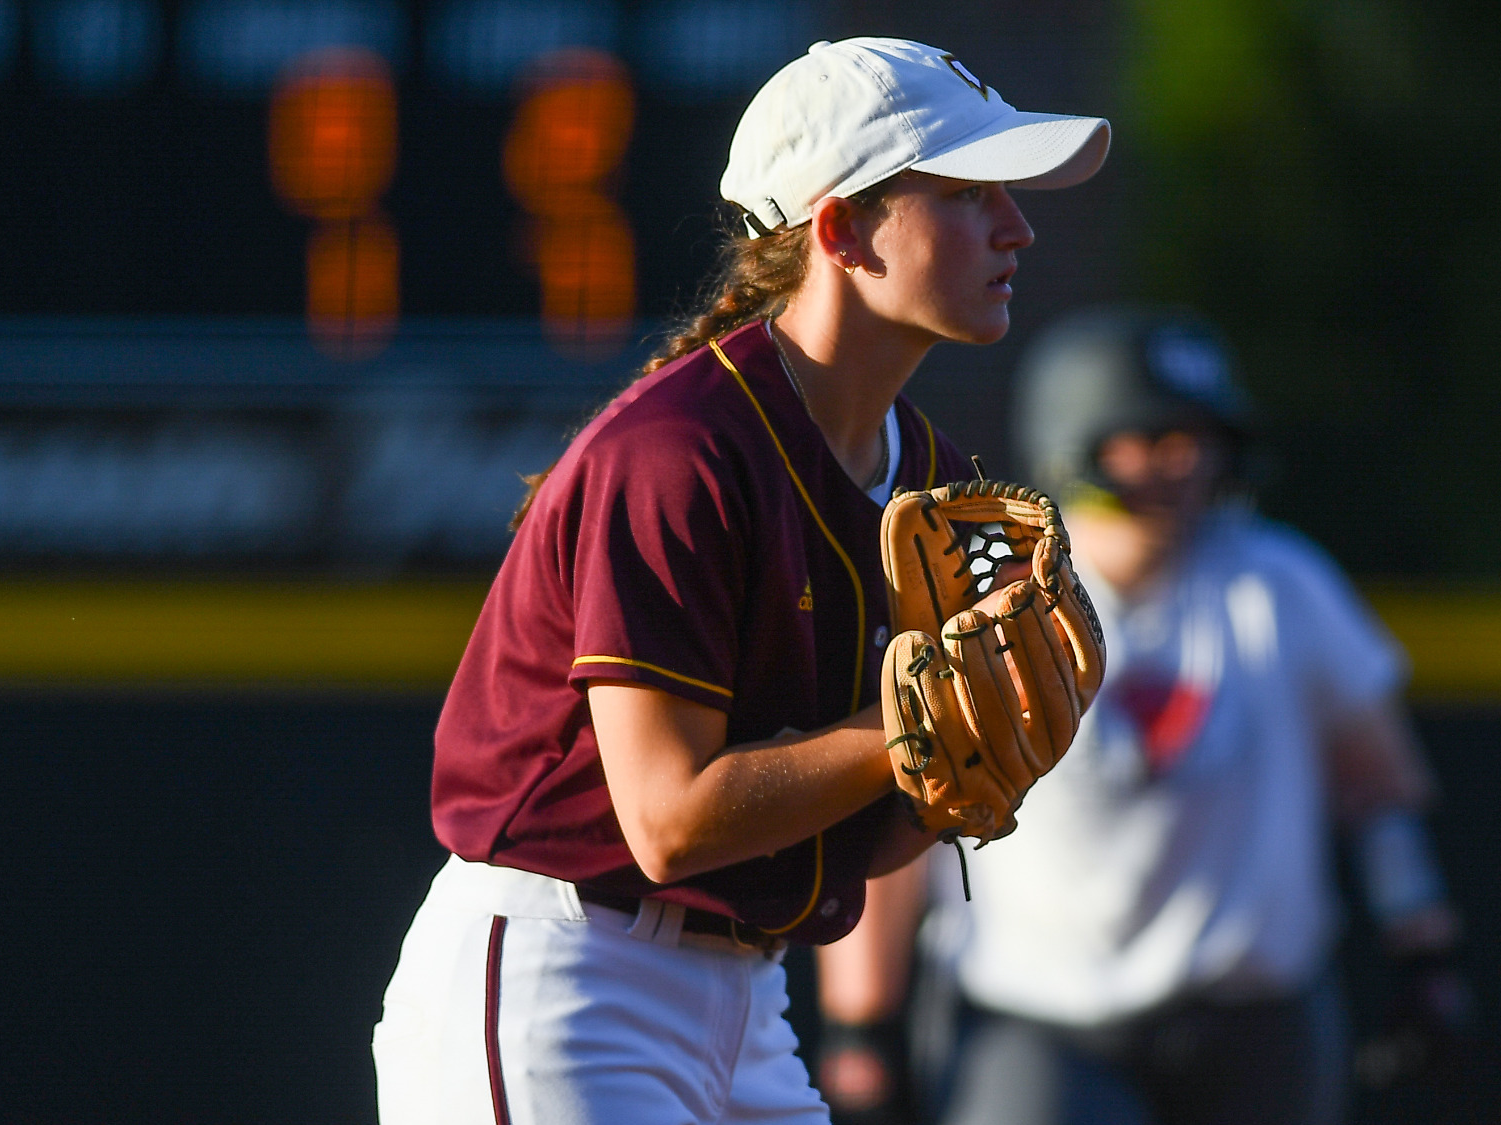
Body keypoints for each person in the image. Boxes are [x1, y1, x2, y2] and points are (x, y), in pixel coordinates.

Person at [369, 38, 1109, 1125]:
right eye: (965, 193)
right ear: (841, 229)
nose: (1016, 227)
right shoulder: (676, 452)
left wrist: (961, 766)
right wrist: (902, 723)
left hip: (750, 996)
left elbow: (876, 821)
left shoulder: (937, 483)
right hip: (562, 978)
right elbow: (667, 821)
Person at [812, 308, 1470, 1125]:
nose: (1187, 461)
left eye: (1199, 436)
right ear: (1075, 440)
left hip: (1251, 1019)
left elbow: (1381, 788)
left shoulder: (1278, 583)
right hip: (1037, 1019)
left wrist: (1423, 947)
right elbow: (897, 835)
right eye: (1153, 438)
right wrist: (860, 1024)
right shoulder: (983, 603)